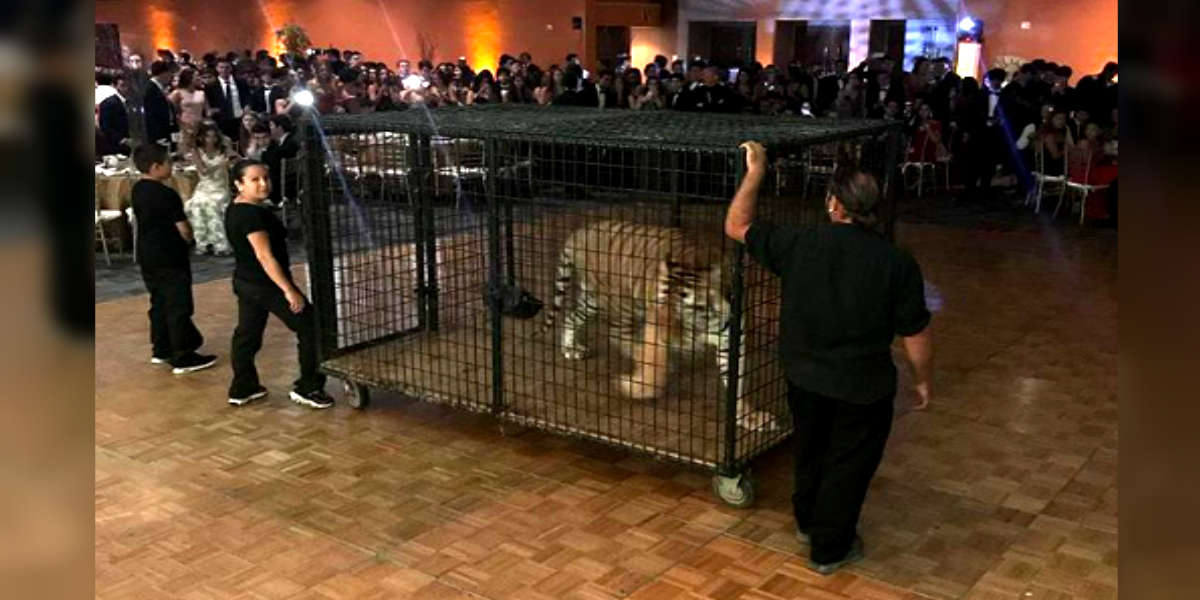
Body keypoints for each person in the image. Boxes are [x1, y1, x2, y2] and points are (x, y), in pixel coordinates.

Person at [724, 141, 933, 576]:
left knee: (811, 447)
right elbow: (914, 332)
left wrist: (756, 170)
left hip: (803, 374)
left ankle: (806, 521)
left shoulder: (799, 243)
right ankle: (829, 547)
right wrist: (922, 379)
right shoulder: (896, 262)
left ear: (833, 203)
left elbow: (737, 225)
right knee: (849, 463)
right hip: (863, 384)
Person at [224, 159, 332, 408]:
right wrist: (289, 290)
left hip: (246, 281)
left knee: (247, 335)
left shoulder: (239, 208)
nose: (263, 184)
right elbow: (265, 256)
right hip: (265, 285)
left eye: (266, 178)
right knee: (311, 328)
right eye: (255, 180)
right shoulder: (250, 215)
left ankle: (243, 388)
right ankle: (309, 387)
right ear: (239, 184)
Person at [130, 143, 218, 374]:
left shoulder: (138, 189)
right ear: (156, 167)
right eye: (168, 162)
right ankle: (183, 355)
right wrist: (189, 240)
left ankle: (161, 348)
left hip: (147, 253)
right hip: (169, 254)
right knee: (178, 303)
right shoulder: (166, 194)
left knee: (159, 301)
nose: (172, 166)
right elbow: (183, 227)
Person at [185, 123, 236, 255]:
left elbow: (237, 158)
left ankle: (221, 244)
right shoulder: (196, 151)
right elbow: (203, 171)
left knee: (213, 205)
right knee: (195, 204)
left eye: (214, 136)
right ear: (202, 137)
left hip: (220, 187)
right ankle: (204, 243)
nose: (211, 140)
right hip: (205, 187)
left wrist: (232, 160)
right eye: (208, 136)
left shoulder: (224, 149)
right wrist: (220, 164)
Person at [168, 68, 206, 154]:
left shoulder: (201, 93)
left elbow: (206, 110)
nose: (199, 78)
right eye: (196, 76)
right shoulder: (177, 93)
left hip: (200, 126)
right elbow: (172, 112)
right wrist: (182, 125)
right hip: (185, 127)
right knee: (186, 151)